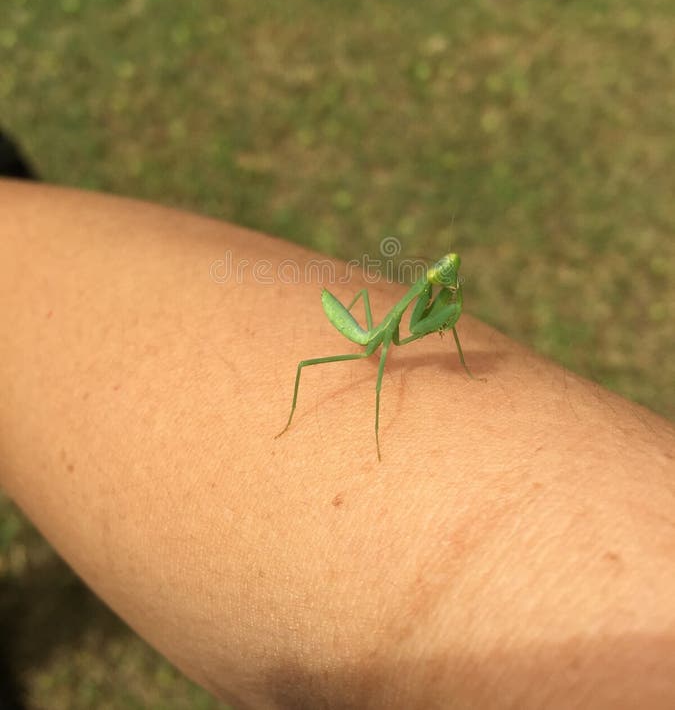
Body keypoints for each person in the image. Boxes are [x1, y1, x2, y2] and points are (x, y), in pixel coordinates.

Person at [0, 178, 674, 709]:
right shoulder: (407, 314)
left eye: (448, 276)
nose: (447, 280)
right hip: (352, 333)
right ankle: (309, 419)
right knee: (328, 367)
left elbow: (438, 319)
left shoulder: (432, 303)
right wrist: (373, 437)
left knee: (398, 347)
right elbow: (399, 343)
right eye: (442, 275)